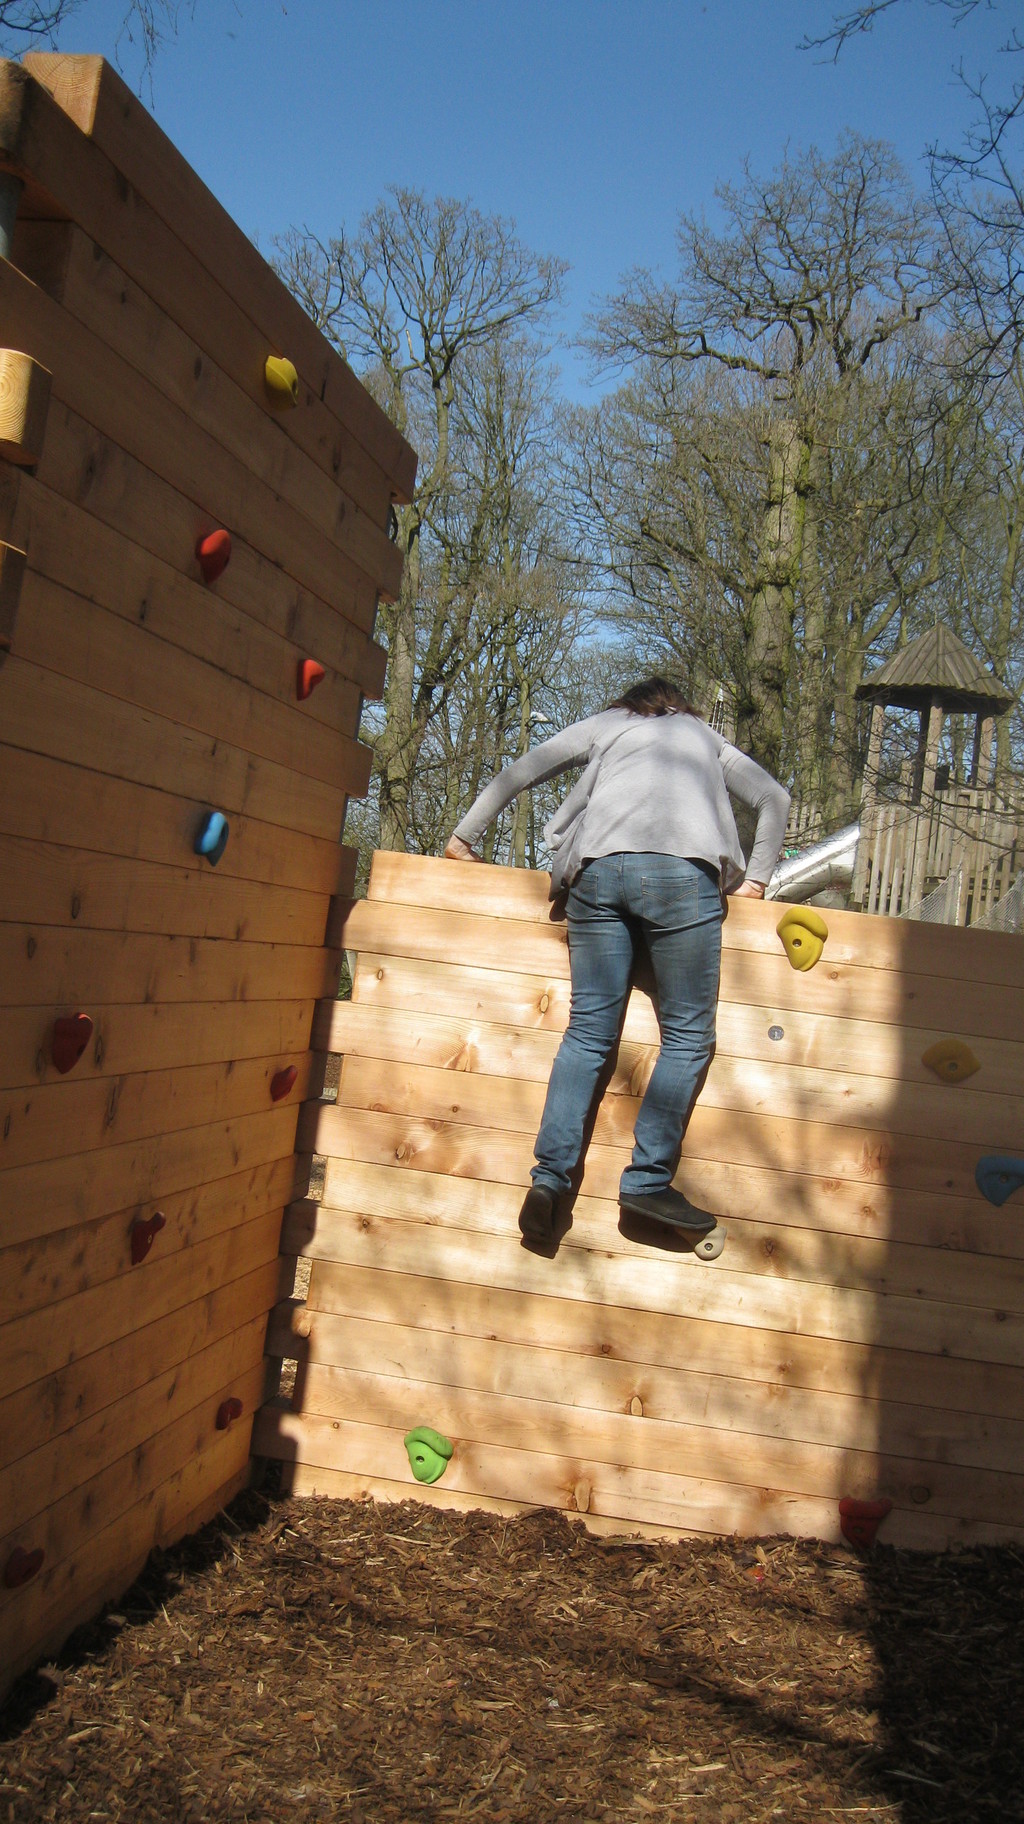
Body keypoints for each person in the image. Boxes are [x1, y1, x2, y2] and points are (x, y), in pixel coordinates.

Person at [444, 678, 790, 1245]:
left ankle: (550, 1179)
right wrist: (755, 879)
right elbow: (774, 797)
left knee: (587, 1035)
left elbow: (525, 768)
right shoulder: (705, 737)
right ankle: (647, 1181)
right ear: (683, 706)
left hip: (598, 873)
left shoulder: (609, 725)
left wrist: (465, 837)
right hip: (684, 878)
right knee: (686, 1038)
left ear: (630, 703)